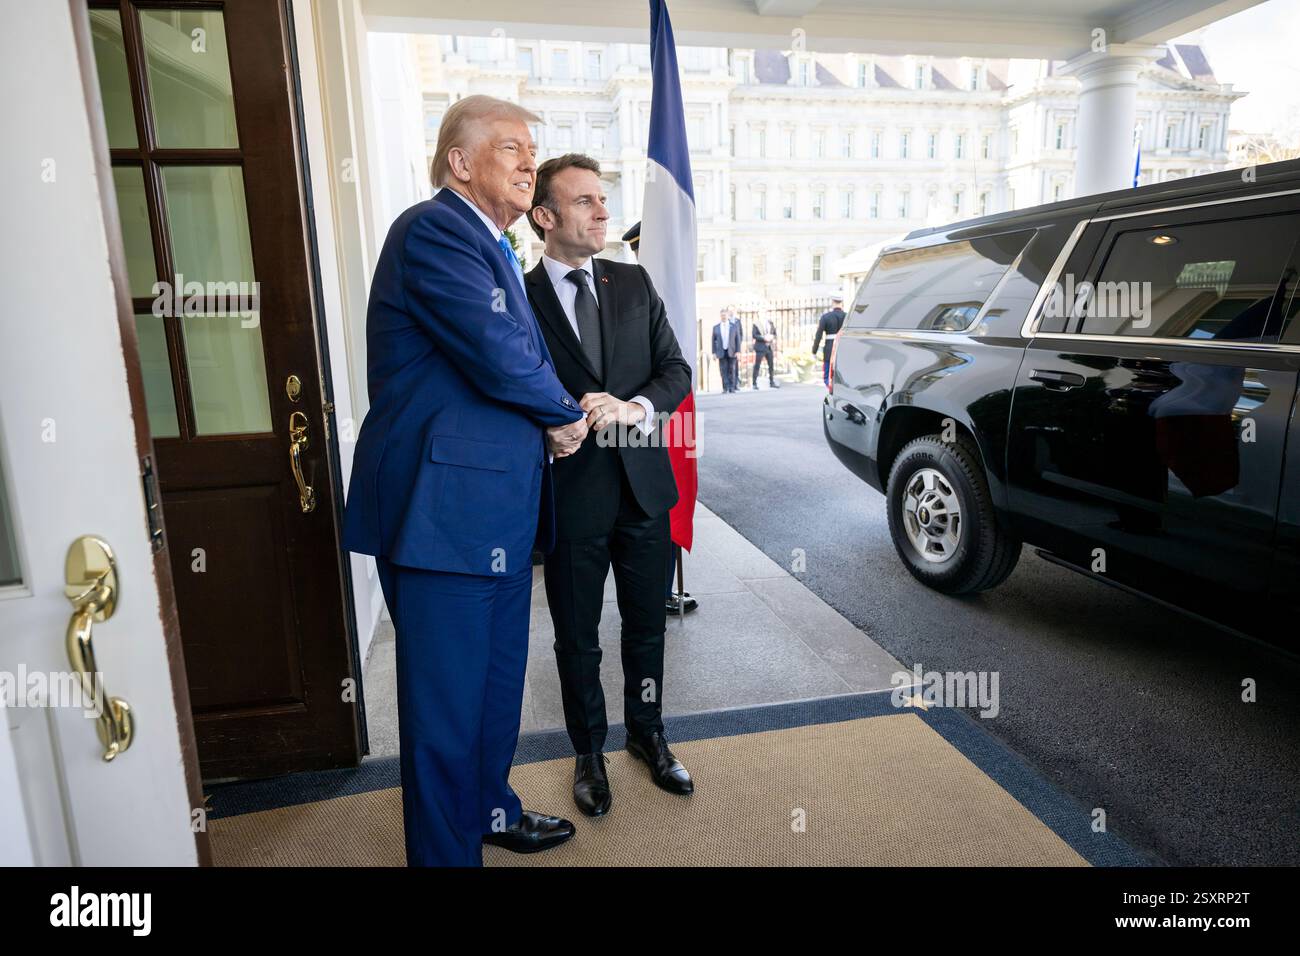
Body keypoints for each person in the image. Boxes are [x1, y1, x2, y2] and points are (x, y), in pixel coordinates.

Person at [341, 95, 587, 866]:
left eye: (531, 150)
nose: (528, 162)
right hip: (441, 517)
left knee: (492, 693)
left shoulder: (491, 244)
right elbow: (497, 350)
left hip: (496, 517)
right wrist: (562, 414)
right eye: (511, 148)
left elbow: (505, 351)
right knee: (445, 711)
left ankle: (491, 810)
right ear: (459, 163)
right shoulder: (435, 229)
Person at [525, 155, 695, 818]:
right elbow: (510, 388)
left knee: (647, 628)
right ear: (545, 216)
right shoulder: (518, 295)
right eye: (586, 201)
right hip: (572, 495)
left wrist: (634, 408)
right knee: (578, 636)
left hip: (645, 490)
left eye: (603, 199)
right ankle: (589, 752)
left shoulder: (632, 283)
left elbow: (676, 370)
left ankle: (649, 736)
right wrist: (555, 421)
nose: (602, 212)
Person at [623, 222, 698, 616]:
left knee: (670, 493)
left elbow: (676, 367)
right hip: (640, 419)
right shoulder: (630, 290)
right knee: (650, 498)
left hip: (668, 409)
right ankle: (653, 588)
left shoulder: (669, 289)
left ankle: (663, 587)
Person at [813, 295, 847, 386]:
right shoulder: (847, 317)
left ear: (833, 302)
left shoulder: (826, 317)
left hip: (829, 348)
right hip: (843, 348)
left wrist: (814, 351)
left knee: (828, 377)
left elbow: (818, 335)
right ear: (842, 303)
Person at [711, 306, 743, 393]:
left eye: (725, 315)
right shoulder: (716, 327)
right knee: (723, 370)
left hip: (732, 351)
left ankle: (732, 388)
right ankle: (725, 388)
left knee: (732, 369)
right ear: (720, 316)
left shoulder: (734, 326)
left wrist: (738, 351)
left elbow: (738, 339)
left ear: (727, 315)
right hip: (721, 352)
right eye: (722, 315)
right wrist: (713, 353)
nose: (723, 317)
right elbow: (713, 341)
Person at [751, 315, 780, 389]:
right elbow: (754, 335)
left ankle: (772, 382)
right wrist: (764, 338)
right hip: (760, 347)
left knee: (771, 365)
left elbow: (774, 334)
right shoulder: (756, 324)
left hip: (769, 347)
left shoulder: (770, 322)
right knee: (757, 365)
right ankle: (754, 383)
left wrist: (772, 337)